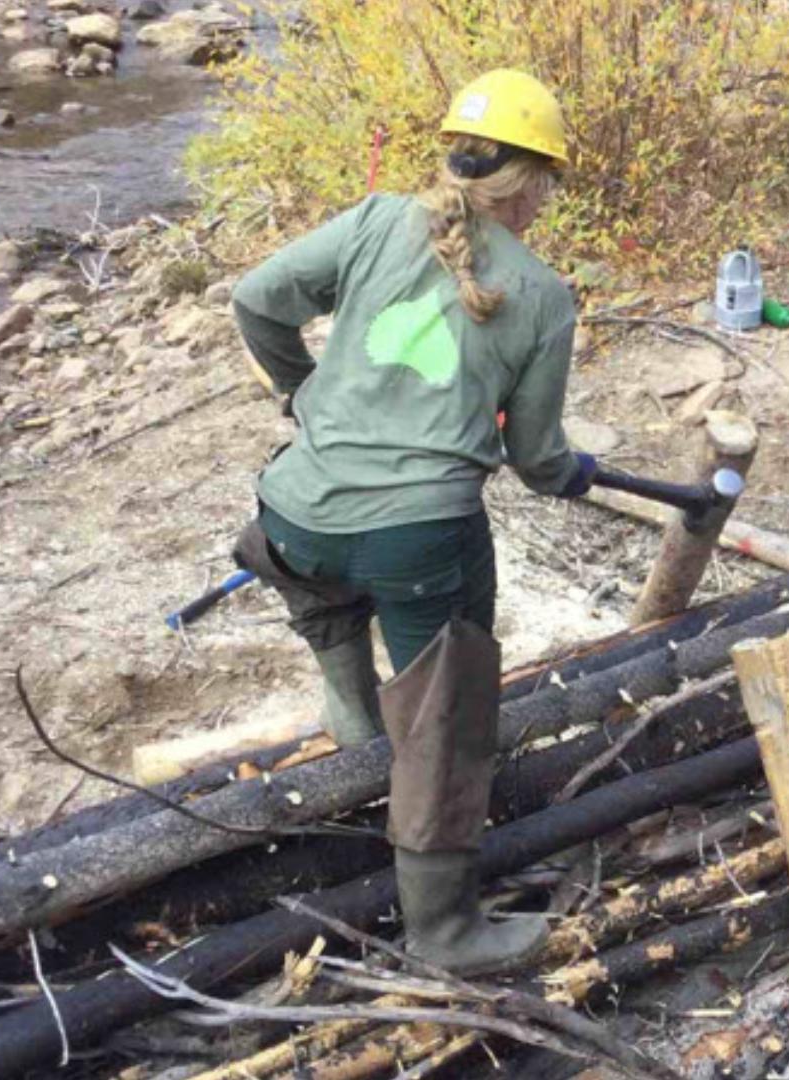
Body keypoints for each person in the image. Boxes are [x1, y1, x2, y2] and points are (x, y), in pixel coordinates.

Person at [225, 69, 597, 973]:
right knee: (447, 710)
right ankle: (444, 930)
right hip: (414, 540)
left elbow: (255, 301)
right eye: (550, 180)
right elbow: (538, 460)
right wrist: (573, 473)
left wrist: (300, 391)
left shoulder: (373, 222)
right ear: (533, 180)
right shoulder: (542, 296)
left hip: (291, 517)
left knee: (326, 580)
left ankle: (356, 745)